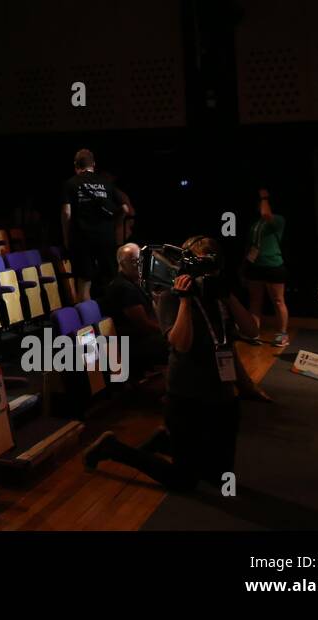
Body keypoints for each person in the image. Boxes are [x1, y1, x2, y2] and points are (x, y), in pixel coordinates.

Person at [83, 236, 260, 491]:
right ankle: (113, 448)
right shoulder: (170, 296)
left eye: (212, 266)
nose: (207, 274)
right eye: (201, 266)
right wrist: (186, 301)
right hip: (187, 393)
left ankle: (166, 442)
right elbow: (181, 345)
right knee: (184, 481)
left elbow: (252, 330)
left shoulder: (219, 293)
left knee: (218, 476)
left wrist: (228, 294)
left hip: (222, 392)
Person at [60, 148, 124, 303]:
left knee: (84, 281)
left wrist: (66, 237)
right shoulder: (106, 183)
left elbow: (67, 213)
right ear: (94, 164)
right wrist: (117, 230)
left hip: (82, 239)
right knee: (111, 279)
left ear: (76, 165)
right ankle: (113, 321)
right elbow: (125, 209)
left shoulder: (71, 183)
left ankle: (87, 323)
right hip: (106, 238)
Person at [101, 243, 167, 375]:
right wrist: (167, 331)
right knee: (178, 342)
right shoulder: (124, 288)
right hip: (132, 345)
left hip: (138, 339)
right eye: (134, 261)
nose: (139, 264)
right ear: (122, 264)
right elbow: (144, 325)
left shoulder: (134, 282)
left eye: (140, 260)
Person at [244, 187, 289, 347]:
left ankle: (282, 334)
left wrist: (264, 197)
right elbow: (251, 245)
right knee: (255, 301)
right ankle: (254, 332)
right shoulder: (256, 224)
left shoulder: (278, 219)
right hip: (256, 266)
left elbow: (265, 214)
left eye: (262, 202)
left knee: (278, 300)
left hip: (273, 265)